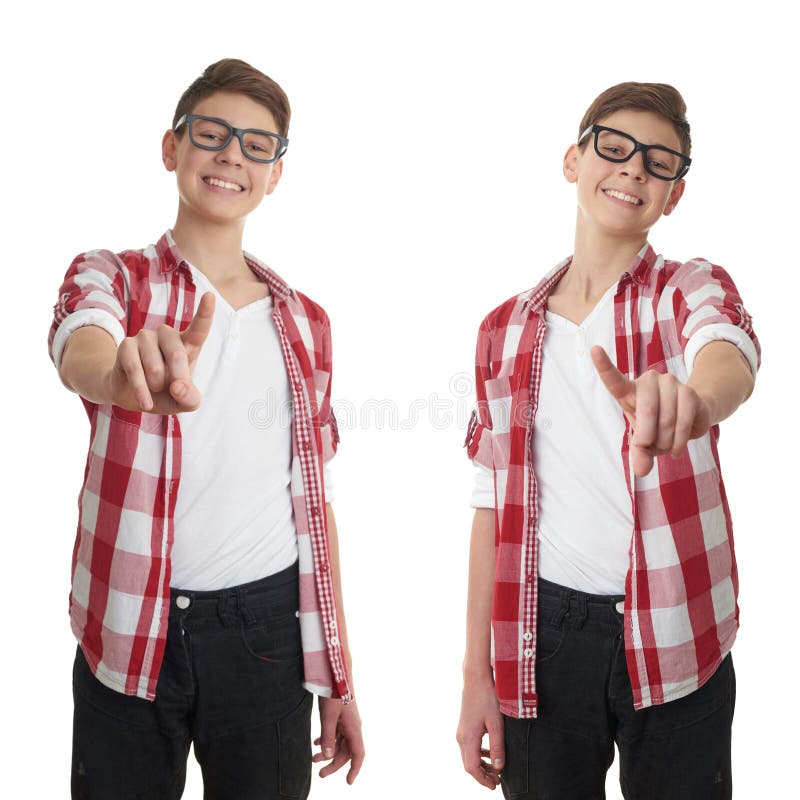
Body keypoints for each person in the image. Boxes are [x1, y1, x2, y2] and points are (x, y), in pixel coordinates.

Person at [48, 58, 364, 799]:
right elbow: (80, 345)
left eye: (258, 145)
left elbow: (313, 508)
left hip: (264, 634)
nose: (232, 156)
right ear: (172, 148)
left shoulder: (306, 323)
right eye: (213, 134)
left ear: (275, 175)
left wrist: (337, 673)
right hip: (128, 622)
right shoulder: (115, 277)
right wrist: (120, 373)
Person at [456, 82, 759, 799]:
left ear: (672, 197)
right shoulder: (503, 329)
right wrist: (477, 676)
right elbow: (489, 508)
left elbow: (728, 350)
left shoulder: (686, 288)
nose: (633, 170)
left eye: (659, 163)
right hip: (543, 636)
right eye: (615, 148)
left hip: (679, 629)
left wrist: (696, 401)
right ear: (574, 158)